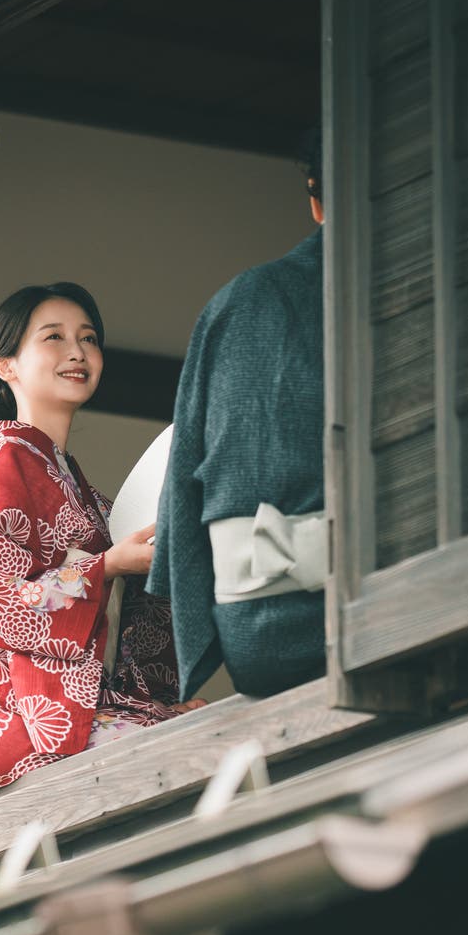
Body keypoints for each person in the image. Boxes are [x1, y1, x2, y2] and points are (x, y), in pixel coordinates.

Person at [0, 282, 191, 794]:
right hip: (8, 712)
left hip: (74, 706)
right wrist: (108, 566)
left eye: (89, 338)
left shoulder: (90, 500)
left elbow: (129, 620)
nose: (77, 351)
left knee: (201, 728)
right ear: (6, 366)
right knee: (192, 750)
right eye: (54, 337)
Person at [147, 131, 327, 700]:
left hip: (259, 628)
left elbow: (183, 484)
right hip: (373, 600)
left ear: (315, 198)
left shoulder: (242, 303)